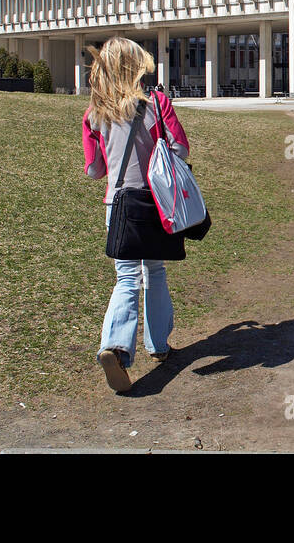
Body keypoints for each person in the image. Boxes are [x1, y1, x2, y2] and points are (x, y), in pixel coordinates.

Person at [81, 37, 190, 393]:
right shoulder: (157, 103)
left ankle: (115, 346)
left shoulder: (95, 114)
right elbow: (180, 148)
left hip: (118, 206)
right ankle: (158, 345)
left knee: (126, 278)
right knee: (154, 271)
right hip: (156, 204)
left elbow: (95, 170)